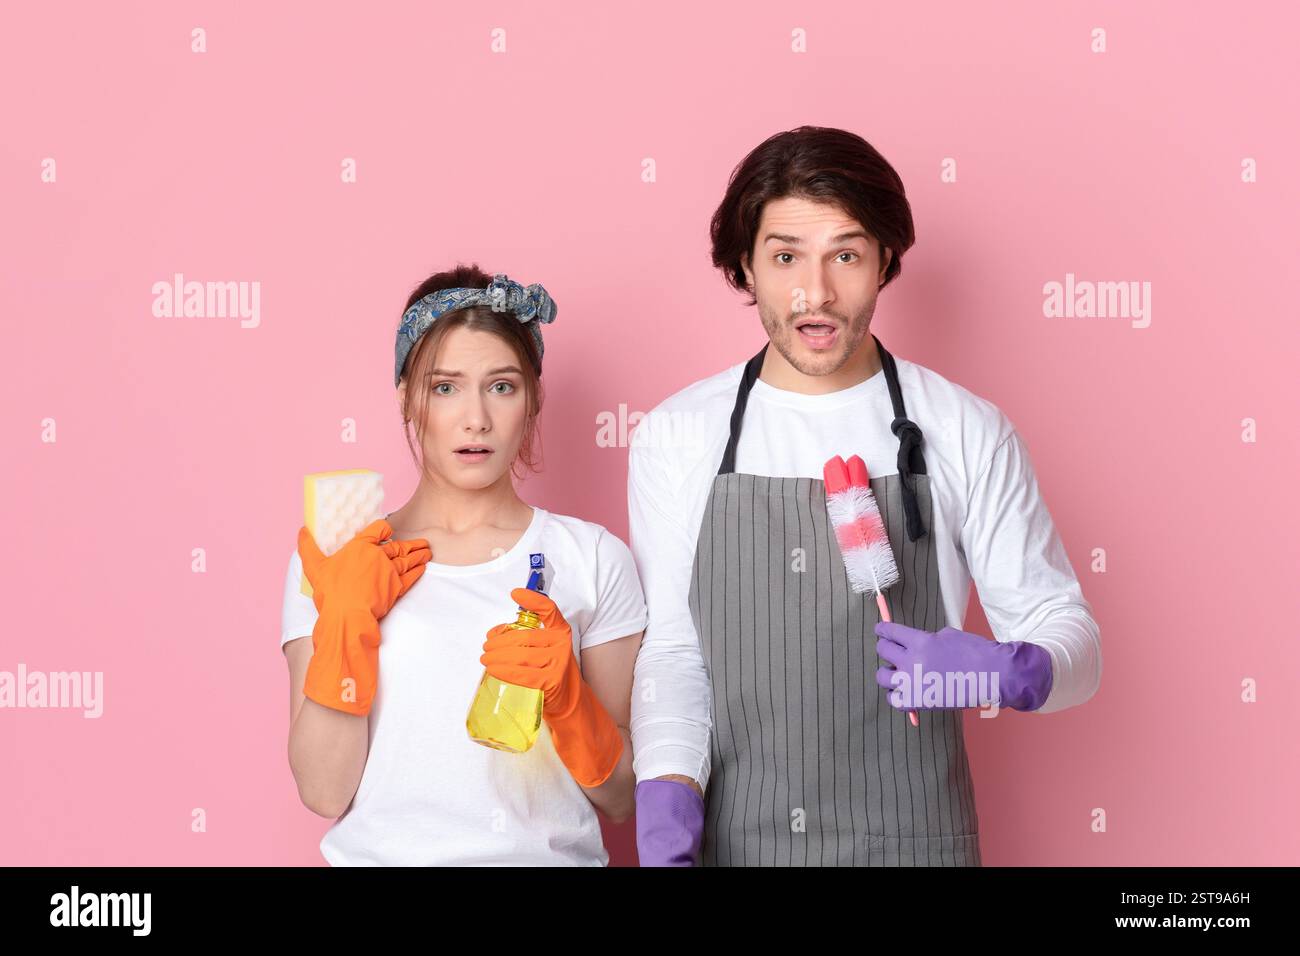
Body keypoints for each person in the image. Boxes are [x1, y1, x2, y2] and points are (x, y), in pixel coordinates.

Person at [628, 127, 1102, 866]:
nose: (815, 293)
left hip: (917, 844)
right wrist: (665, 792)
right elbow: (676, 650)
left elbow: (1071, 634)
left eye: (845, 255)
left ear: (884, 260)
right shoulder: (677, 435)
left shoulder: (964, 428)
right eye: (785, 257)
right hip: (740, 842)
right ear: (745, 267)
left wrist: (1013, 670)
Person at [280, 264, 647, 865]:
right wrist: (345, 622)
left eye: (501, 386)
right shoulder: (338, 558)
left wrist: (568, 701)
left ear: (533, 398)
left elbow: (622, 799)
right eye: (444, 387)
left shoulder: (593, 557)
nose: (475, 417)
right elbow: (323, 791)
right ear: (407, 397)